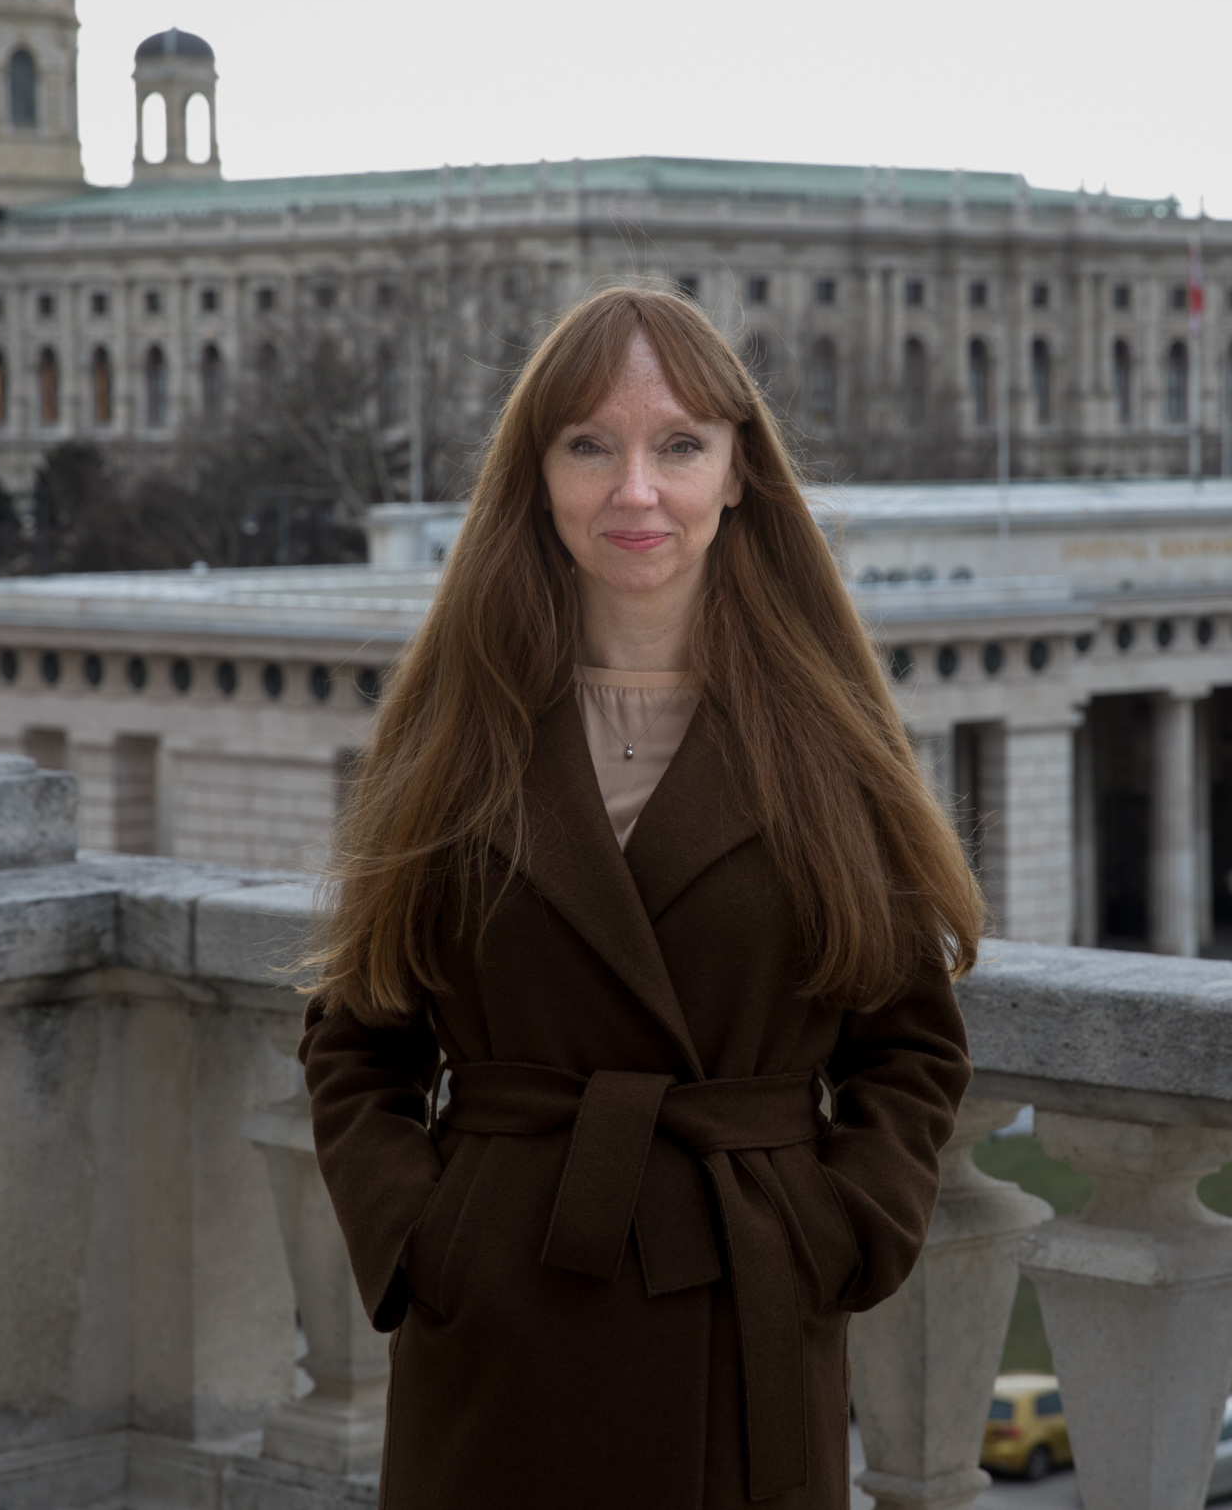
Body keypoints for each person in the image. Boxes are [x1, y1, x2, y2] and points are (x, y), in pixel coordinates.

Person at [300, 284, 982, 1509]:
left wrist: (834, 1232)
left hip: (743, 1313)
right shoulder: (453, 727)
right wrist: (427, 1238)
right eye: (588, 445)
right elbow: (357, 1030)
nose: (635, 491)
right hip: (500, 1338)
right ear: (536, 475)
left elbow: (910, 1045)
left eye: (678, 445)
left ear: (738, 472)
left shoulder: (828, 739)